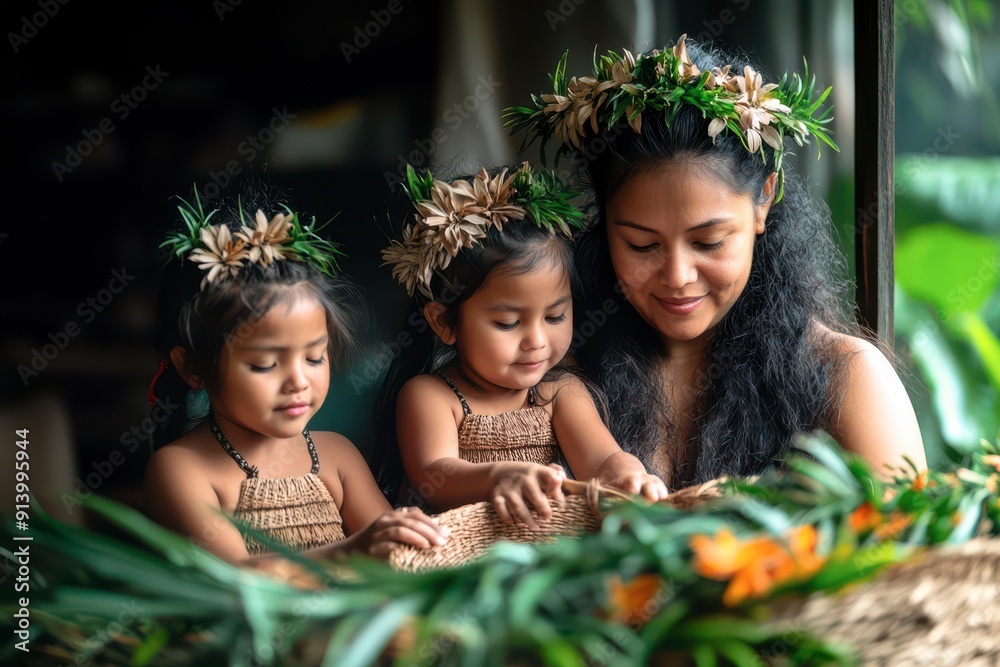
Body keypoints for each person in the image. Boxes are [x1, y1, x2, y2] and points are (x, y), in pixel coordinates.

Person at [504, 35, 927, 490]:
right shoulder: (545, 363)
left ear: (763, 200)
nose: (677, 277)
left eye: (708, 242)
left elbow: (914, 552)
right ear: (603, 220)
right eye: (642, 246)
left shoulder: (846, 378)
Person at [143, 187, 448, 567]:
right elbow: (237, 583)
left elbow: (396, 558)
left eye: (314, 358)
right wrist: (353, 549)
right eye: (265, 365)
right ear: (192, 367)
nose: (297, 382)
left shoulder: (337, 456)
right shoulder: (181, 469)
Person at [373, 162, 668, 529]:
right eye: (508, 323)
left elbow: (602, 459)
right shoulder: (432, 395)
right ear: (444, 322)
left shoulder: (560, 391)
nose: (537, 342)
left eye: (555, 316)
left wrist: (627, 475)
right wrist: (498, 477)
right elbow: (435, 476)